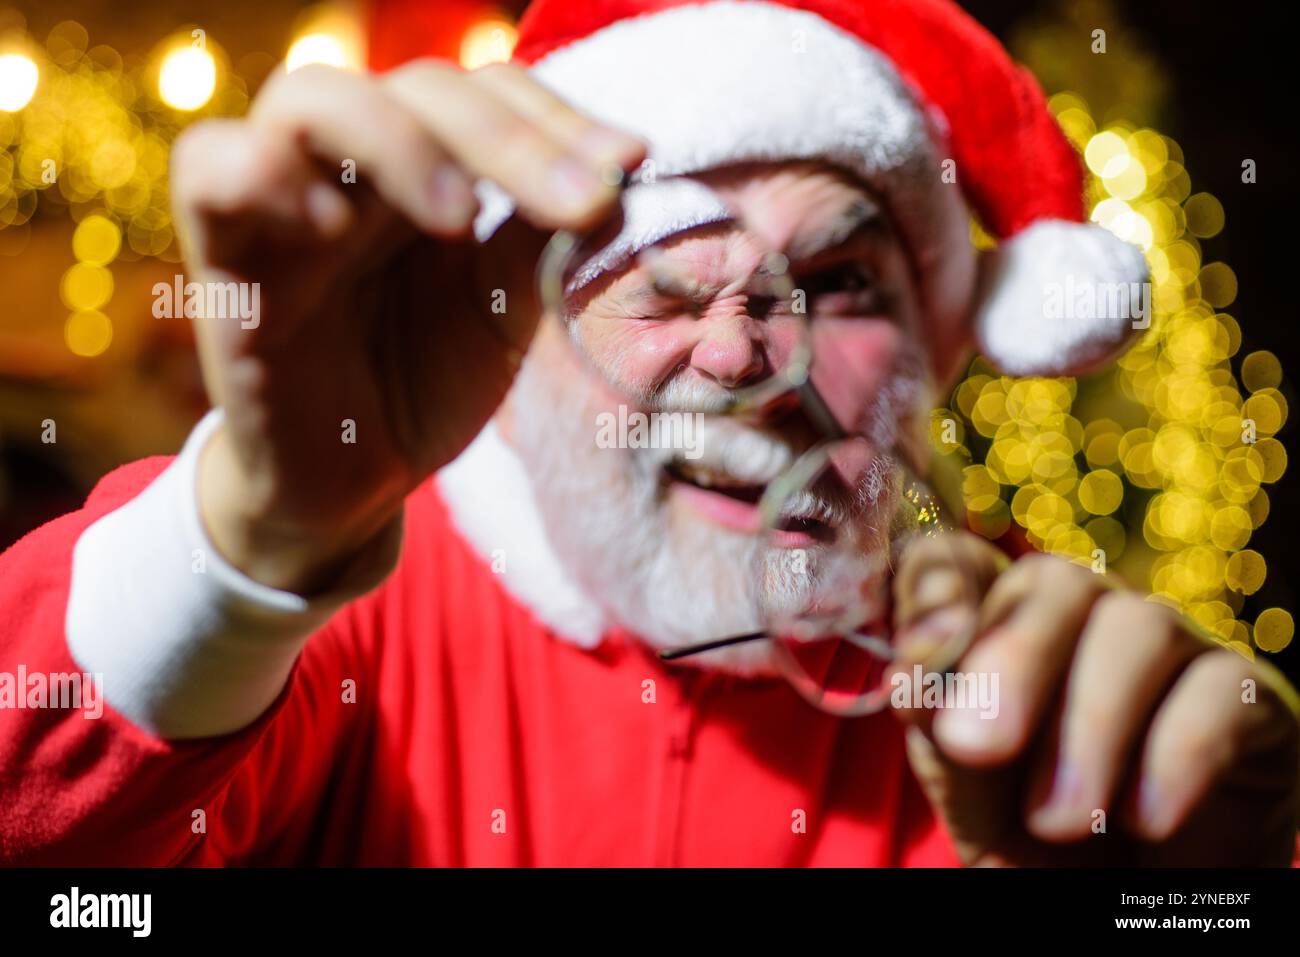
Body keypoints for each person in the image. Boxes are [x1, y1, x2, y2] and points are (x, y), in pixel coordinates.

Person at [1, 0, 1296, 867]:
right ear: (525, 319)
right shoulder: (346, 608)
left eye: (837, 284)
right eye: (666, 269)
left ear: (938, 347)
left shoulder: (1038, 685)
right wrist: (258, 538)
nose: (741, 357)